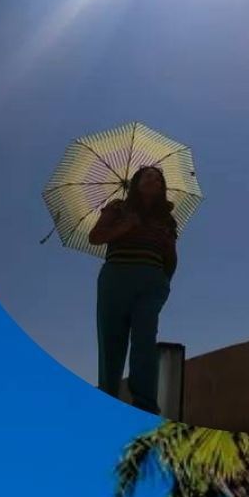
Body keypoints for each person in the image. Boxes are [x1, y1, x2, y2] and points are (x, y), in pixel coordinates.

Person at [89, 163, 179, 413]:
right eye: (149, 177)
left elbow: (171, 257)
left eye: (159, 179)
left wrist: (164, 283)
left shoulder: (167, 220)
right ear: (137, 182)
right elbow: (95, 236)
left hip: (151, 282)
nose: (155, 181)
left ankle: (145, 405)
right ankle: (108, 401)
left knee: (144, 341)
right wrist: (124, 226)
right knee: (111, 344)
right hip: (116, 279)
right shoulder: (118, 208)